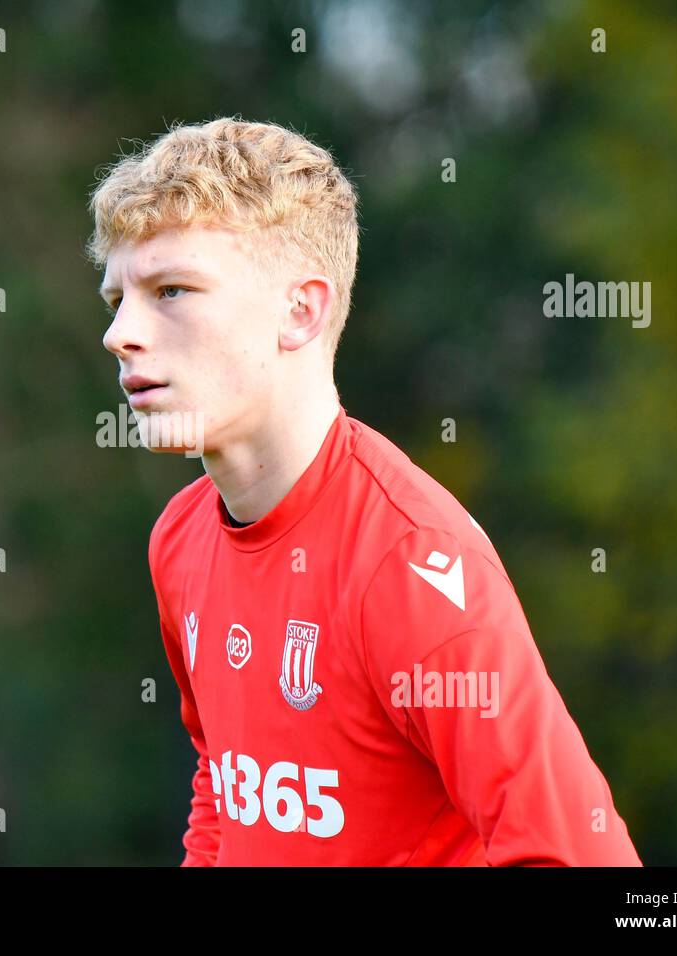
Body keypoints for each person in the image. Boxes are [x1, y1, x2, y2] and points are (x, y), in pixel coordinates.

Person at [86, 116, 641, 866]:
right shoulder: (178, 539)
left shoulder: (410, 566)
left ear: (300, 312)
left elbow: (578, 854)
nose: (121, 332)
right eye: (117, 297)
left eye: (171, 290)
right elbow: (226, 786)